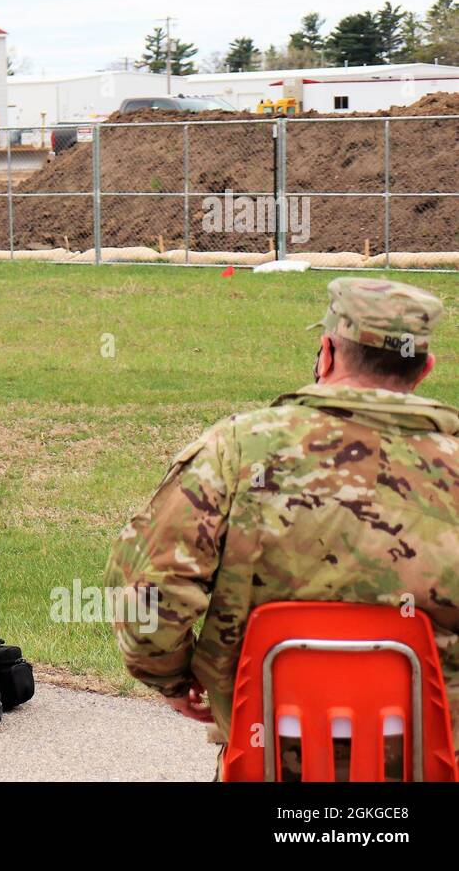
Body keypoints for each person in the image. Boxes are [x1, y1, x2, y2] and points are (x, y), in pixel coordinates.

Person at [105, 277, 459, 758]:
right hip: (435, 758)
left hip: (267, 749)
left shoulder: (236, 450)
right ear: (424, 370)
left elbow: (148, 592)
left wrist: (169, 678)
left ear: (327, 353)